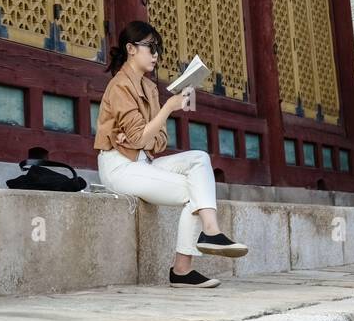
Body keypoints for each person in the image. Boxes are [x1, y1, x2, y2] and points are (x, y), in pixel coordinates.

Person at [94, 20, 248, 288]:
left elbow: (158, 142)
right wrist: (167, 110)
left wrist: (139, 136)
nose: (156, 55)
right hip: (119, 167)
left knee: (200, 158)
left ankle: (211, 231)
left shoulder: (150, 88)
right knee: (194, 191)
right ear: (131, 49)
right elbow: (142, 138)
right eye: (150, 47)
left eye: (158, 48)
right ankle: (183, 269)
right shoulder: (120, 87)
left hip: (142, 161)